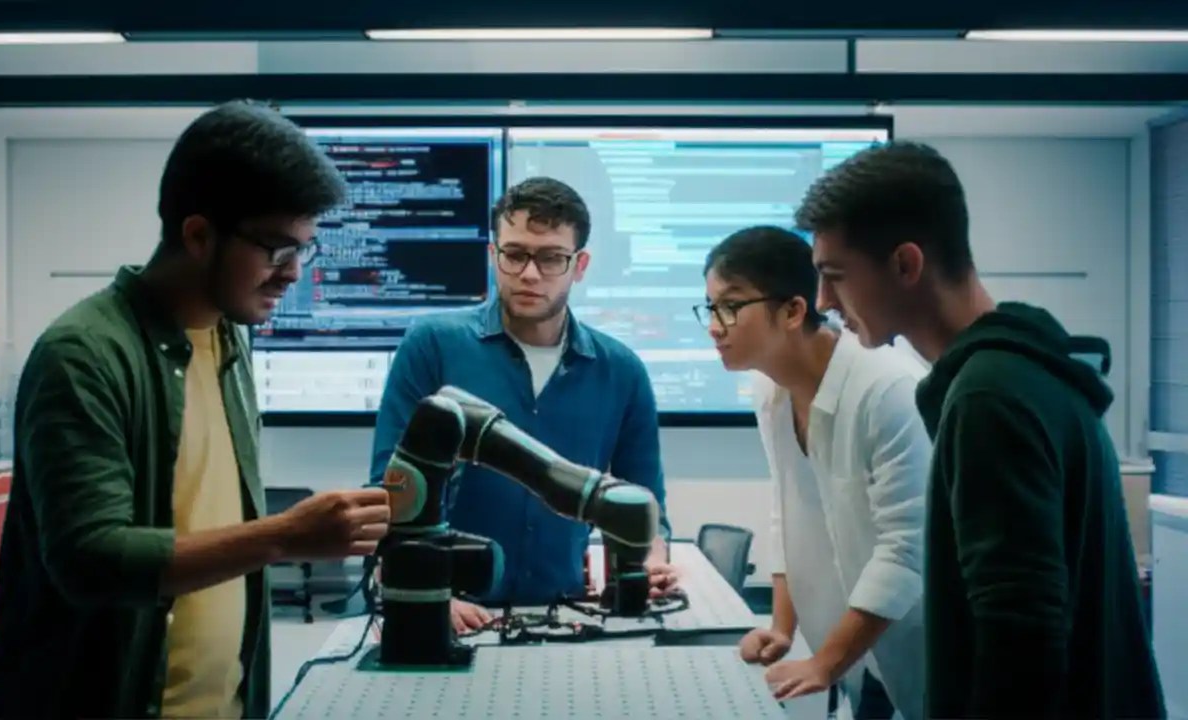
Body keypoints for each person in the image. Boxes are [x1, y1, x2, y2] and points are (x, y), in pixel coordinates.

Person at [0, 101, 392, 720]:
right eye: (278, 249)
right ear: (199, 235)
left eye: (304, 250)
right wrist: (285, 537)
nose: (293, 274)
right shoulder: (84, 353)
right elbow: (90, 561)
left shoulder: (228, 339)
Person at [795, 140, 1166, 719]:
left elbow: (1020, 645)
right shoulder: (1027, 372)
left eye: (834, 276)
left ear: (906, 265)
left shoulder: (989, 398)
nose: (823, 301)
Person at [370, 176, 677, 632]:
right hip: (448, 612)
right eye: (515, 255)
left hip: (565, 615)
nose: (530, 274)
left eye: (551, 257)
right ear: (494, 256)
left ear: (580, 264)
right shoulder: (432, 345)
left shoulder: (622, 370)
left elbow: (645, 506)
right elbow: (389, 493)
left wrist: (650, 561)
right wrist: (421, 591)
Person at [699, 227, 929, 720]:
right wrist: (783, 628)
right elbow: (791, 510)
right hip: (856, 651)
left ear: (793, 310)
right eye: (710, 307)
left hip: (920, 642)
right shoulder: (771, 392)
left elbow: (906, 551)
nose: (714, 326)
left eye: (731, 306)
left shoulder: (888, 389)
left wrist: (825, 661)